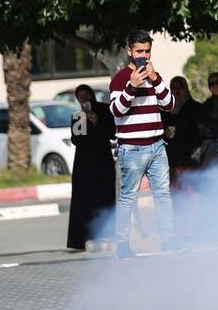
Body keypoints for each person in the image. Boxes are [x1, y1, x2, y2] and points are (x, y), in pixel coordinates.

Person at [108, 30, 177, 258]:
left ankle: (168, 240)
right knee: (129, 197)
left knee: (163, 194)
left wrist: (155, 79)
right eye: (139, 51)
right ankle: (122, 245)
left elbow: (169, 105)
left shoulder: (154, 75)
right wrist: (132, 86)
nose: (144, 56)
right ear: (129, 51)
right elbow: (116, 110)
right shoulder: (120, 79)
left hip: (157, 145)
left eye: (147, 51)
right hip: (132, 147)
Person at [65, 84, 116, 251]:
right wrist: (83, 121)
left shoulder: (103, 109)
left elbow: (112, 132)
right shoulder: (78, 115)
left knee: (104, 194)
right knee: (83, 197)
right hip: (84, 162)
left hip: (102, 159)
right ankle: (81, 238)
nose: (84, 99)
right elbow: (77, 140)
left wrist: (96, 121)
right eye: (81, 96)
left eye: (87, 95)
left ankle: (106, 232)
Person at [164, 76, 201, 235]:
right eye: (174, 88)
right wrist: (166, 132)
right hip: (172, 160)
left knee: (192, 197)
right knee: (176, 198)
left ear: (186, 89)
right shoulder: (167, 110)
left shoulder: (195, 107)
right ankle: (181, 231)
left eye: (180, 87)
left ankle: (194, 230)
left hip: (190, 160)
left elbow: (200, 133)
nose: (177, 91)